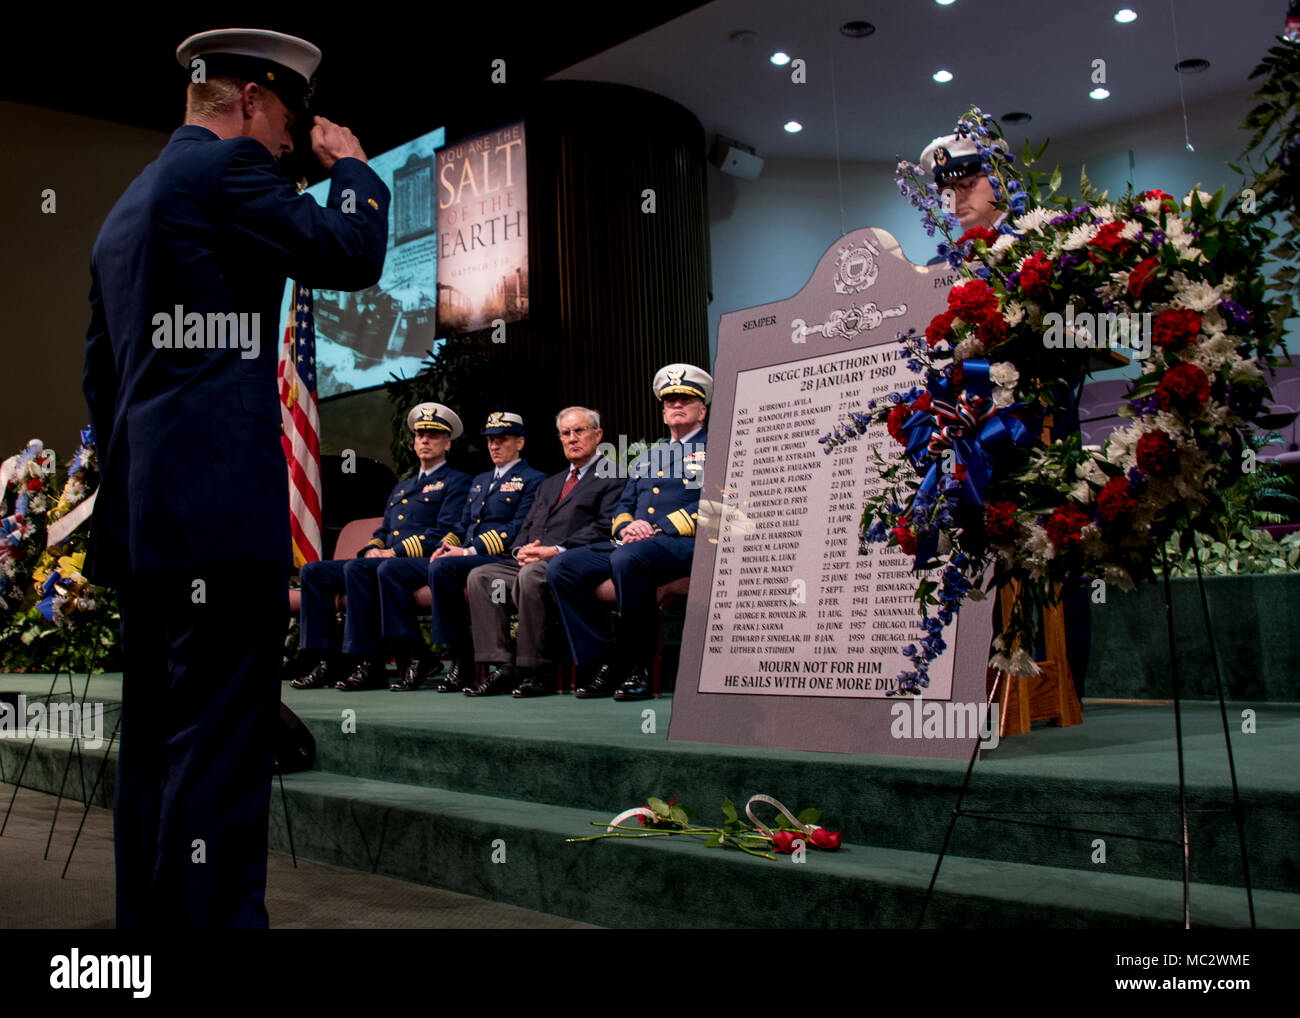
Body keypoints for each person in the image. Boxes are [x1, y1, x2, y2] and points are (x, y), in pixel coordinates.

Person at [82, 28, 388, 928]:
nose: (293, 145)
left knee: (156, 749)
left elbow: (101, 380)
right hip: (218, 515)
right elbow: (352, 254)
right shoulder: (223, 171)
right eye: (289, 124)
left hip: (149, 522)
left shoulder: (125, 208)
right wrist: (357, 170)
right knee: (219, 750)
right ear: (251, 101)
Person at [547, 364, 710, 701]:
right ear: (664, 413)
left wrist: (658, 527)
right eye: (671, 402)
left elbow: (720, 504)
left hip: (685, 544)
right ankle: (601, 662)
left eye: (685, 400)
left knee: (627, 558)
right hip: (634, 542)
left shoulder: (718, 449)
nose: (677, 405)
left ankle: (637, 667)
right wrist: (627, 525)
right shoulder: (650, 457)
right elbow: (624, 504)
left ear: (702, 410)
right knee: (563, 568)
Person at [292, 402, 470, 692]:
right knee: (314, 572)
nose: (425, 440)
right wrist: (373, 548)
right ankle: (325, 659)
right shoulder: (402, 487)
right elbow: (384, 531)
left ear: (447, 444)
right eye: (420, 435)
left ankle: (373, 662)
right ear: (413, 441)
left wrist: (393, 552)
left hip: (428, 561)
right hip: (388, 562)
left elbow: (447, 531)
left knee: (364, 569)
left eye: (433, 435)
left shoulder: (458, 482)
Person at [463, 407, 625, 697]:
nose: (572, 439)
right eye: (566, 433)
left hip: (573, 559)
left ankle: (538, 669)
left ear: (598, 435)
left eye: (580, 431)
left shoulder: (613, 476)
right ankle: (503, 666)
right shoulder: (551, 483)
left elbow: (605, 528)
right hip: (534, 558)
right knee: (482, 576)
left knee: (532, 575)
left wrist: (556, 550)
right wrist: (520, 552)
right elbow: (528, 525)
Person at [407, 412, 546, 693]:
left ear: (520, 442)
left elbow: (518, 526)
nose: (494, 446)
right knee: (439, 563)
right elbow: (463, 524)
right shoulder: (480, 480)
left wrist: (469, 550)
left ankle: (468, 661)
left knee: (443, 568)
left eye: (502, 439)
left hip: (503, 556)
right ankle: (460, 656)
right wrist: (446, 545)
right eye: (490, 440)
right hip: (470, 554)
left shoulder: (534, 479)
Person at [919, 133, 1005, 234]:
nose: (956, 197)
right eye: (947, 191)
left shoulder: (1025, 237)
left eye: (966, 184)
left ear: (997, 182)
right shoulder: (964, 247)